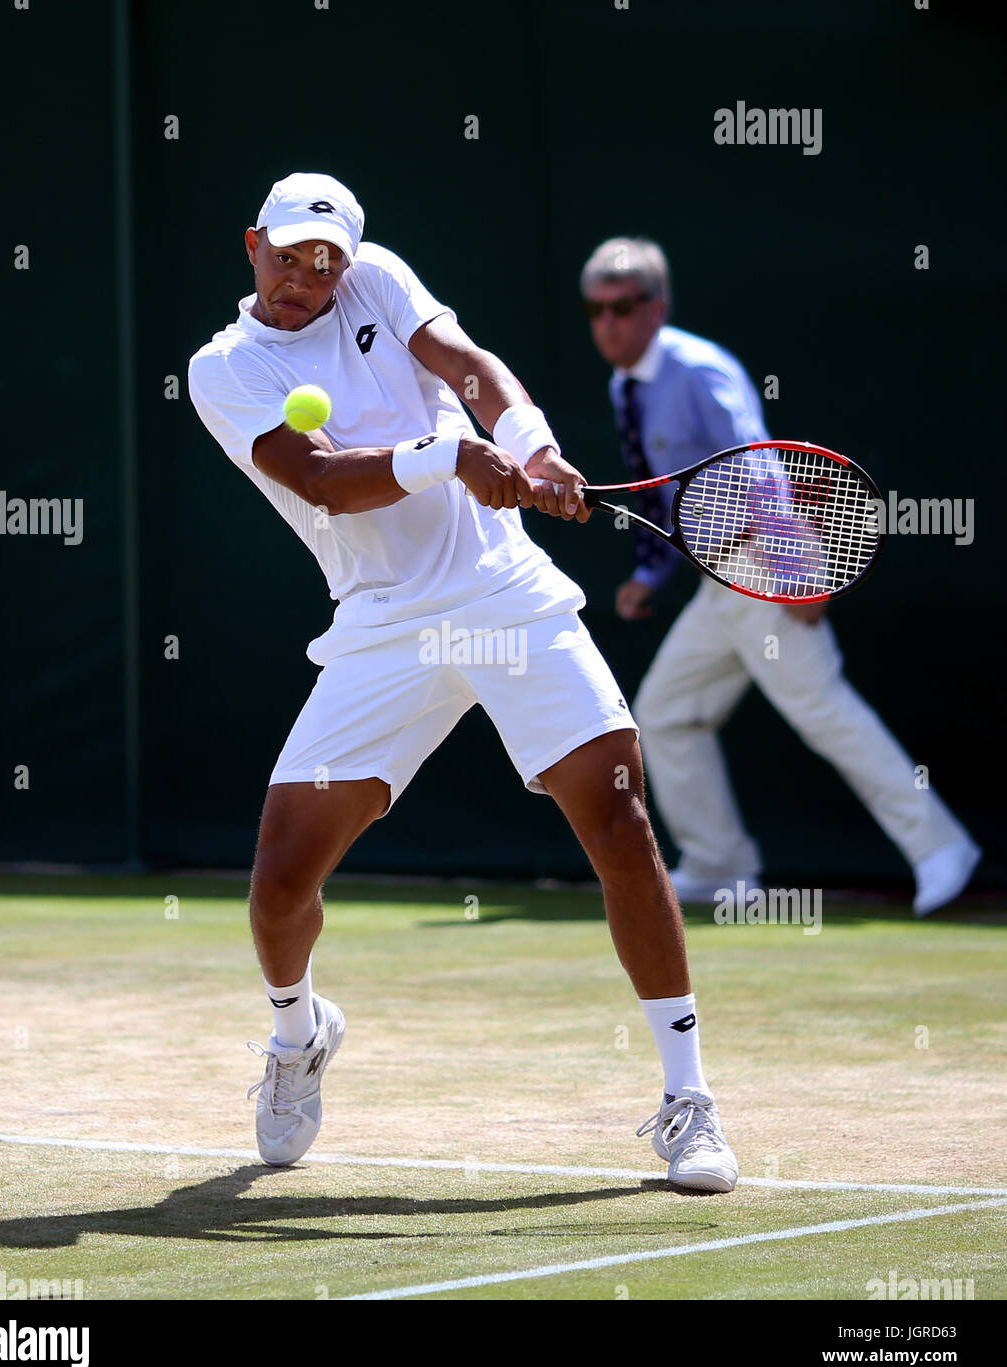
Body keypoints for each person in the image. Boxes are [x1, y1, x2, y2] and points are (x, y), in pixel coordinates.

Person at [187, 174, 738, 1192]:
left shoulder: (380, 283)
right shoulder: (223, 367)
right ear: (252, 244)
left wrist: (529, 443)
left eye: (328, 261)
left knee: (620, 820)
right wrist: (445, 457)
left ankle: (687, 1098)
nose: (308, 277)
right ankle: (297, 1033)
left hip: (505, 594)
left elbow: (465, 365)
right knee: (278, 882)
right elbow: (317, 478)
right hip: (383, 621)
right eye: (291, 254)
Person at [582, 236, 981, 916]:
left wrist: (796, 573)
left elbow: (760, 464)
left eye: (624, 306)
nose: (609, 322)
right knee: (667, 713)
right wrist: (651, 573)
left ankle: (940, 847)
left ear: (658, 307)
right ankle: (719, 864)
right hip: (718, 580)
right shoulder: (626, 383)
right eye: (597, 310)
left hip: (765, 565)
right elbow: (671, 497)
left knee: (822, 711)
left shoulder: (698, 370)